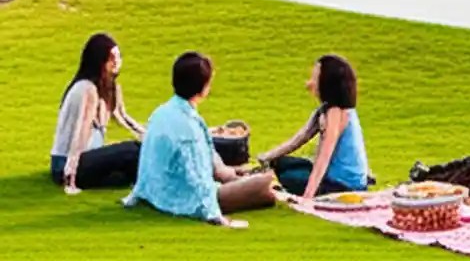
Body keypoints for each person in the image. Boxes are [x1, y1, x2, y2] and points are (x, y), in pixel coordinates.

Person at [125, 52, 274, 228]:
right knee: (264, 184)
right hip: (182, 198)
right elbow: (198, 177)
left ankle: (238, 177)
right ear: (203, 87)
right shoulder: (189, 128)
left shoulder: (161, 112)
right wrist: (215, 216)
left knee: (244, 176)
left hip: (156, 190)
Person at [256, 55, 371, 199]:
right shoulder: (326, 110)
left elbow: (324, 156)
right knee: (280, 163)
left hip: (342, 185)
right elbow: (299, 138)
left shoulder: (336, 113)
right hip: (330, 176)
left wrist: (308, 195)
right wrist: (267, 157)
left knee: (287, 177)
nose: (310, 83)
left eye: (315, 78)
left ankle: (301, 188)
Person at [51, 33, 146, 193]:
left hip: (88, 160)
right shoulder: (87, 89)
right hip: (67, 163)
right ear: (99, 61)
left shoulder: (111, 88)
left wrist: (150, 138)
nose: (117, 62)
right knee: (132, 150)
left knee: (132, 164)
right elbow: (81, 134)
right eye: (111, 58)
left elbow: (123, 118)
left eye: (118, 57)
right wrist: (71, 175)